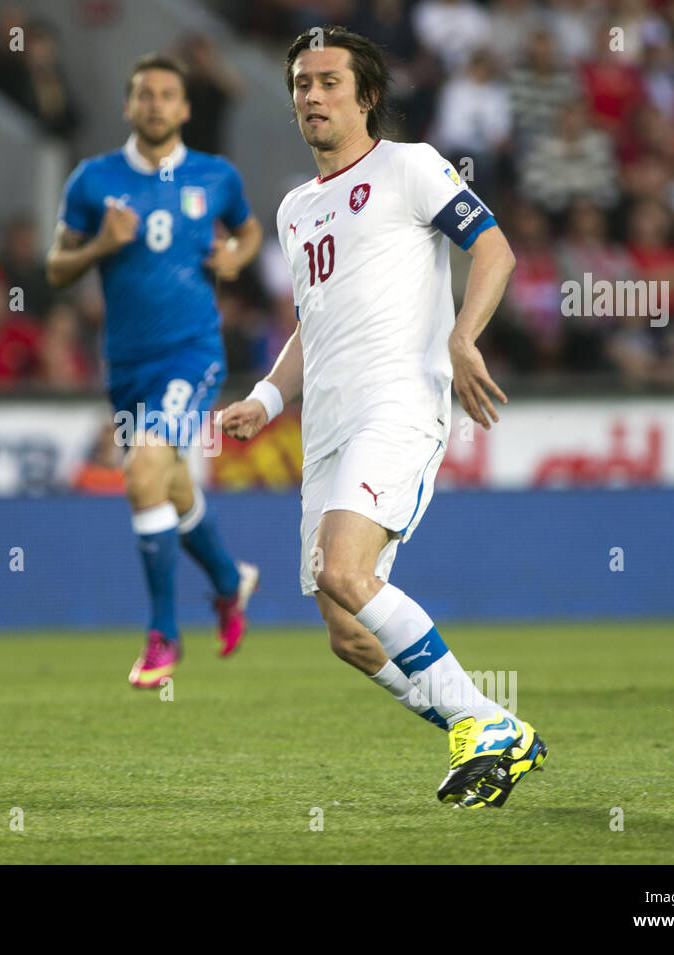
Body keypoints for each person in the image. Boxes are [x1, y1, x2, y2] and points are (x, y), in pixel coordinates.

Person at [217, 27, 547, 810]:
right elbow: (312, 322)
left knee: (344, 569)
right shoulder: (297, 208)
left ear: (366, 97)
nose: (311, 96)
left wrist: (463, 335)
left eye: (329, 81)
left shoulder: (412, 165)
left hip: (399, 397)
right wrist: (265, 399)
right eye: (301, 82)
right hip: (325, 422)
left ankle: (481, 722)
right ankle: (499, 728)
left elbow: (494, 250)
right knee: (346, 629)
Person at [46, 53, 263, 688]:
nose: (156, 105)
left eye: (168, 94)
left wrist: (233, 258)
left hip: (192, 353)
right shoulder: (93, 181)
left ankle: (163, 636)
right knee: (168, 485)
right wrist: (100, 246)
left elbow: (248, 234)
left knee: (142, 470)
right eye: (144, 94)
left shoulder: (215, 176)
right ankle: (229, 579)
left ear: (185, 108)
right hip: (127, 365)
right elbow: (56, 268)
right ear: (128, 105)